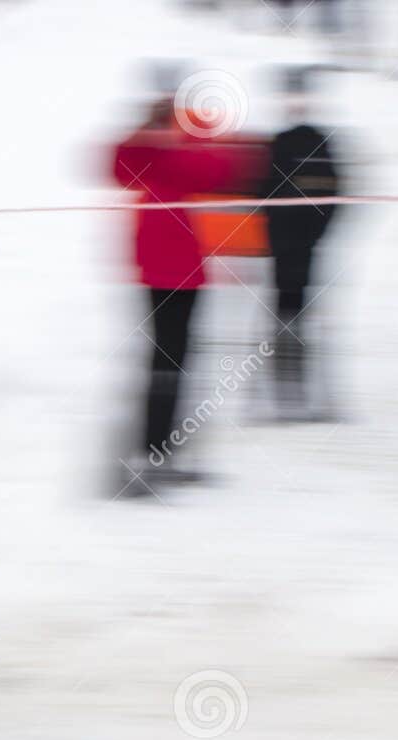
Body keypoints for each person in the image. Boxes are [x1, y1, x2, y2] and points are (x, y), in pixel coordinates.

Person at [110, 96, 240, 493]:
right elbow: (120, 165)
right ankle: (152, 456)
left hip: (178, 273)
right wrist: (159, 131)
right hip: (169, 276)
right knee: (167, 366)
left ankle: (159, 453)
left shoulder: (166, 153)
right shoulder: (154, 156)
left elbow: (221, 168)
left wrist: (176, 130)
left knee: (171, 365)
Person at [259, 67, 343, 421]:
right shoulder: (278, 143)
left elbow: (335, 193)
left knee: (301, 316)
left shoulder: (320, 141)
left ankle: (300, 391)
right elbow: (262, 192)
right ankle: (284, 392)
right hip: (282, 245)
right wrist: (277, 236)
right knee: (283, 315)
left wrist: (315, 234)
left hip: (306, 245)